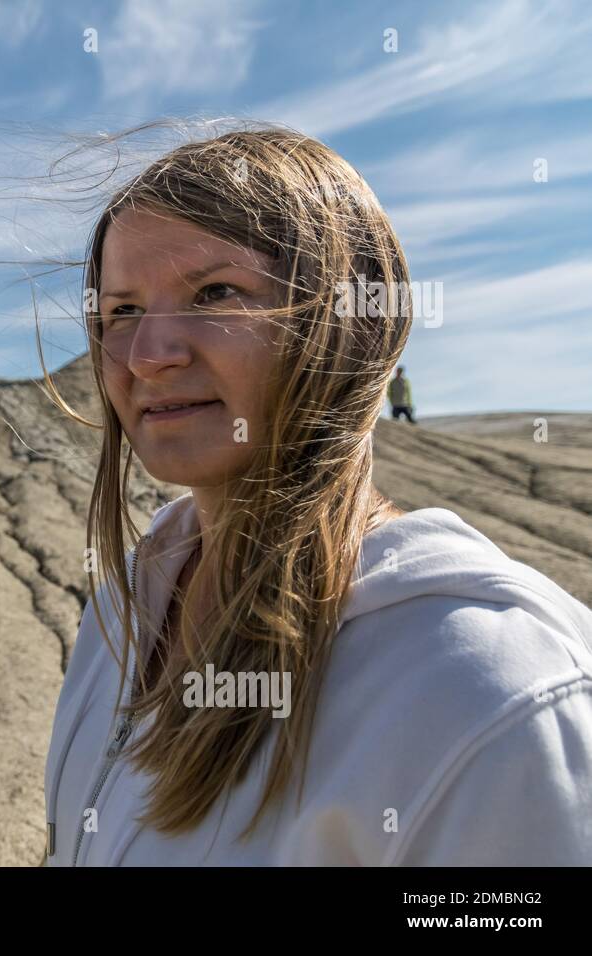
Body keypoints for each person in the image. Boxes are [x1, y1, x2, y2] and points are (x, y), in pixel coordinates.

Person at [40, 126, 592, 866]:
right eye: (123, 311)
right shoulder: (120, 612)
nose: (148, 355)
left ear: (356, 325)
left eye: (216, 293)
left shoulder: (483, 692)